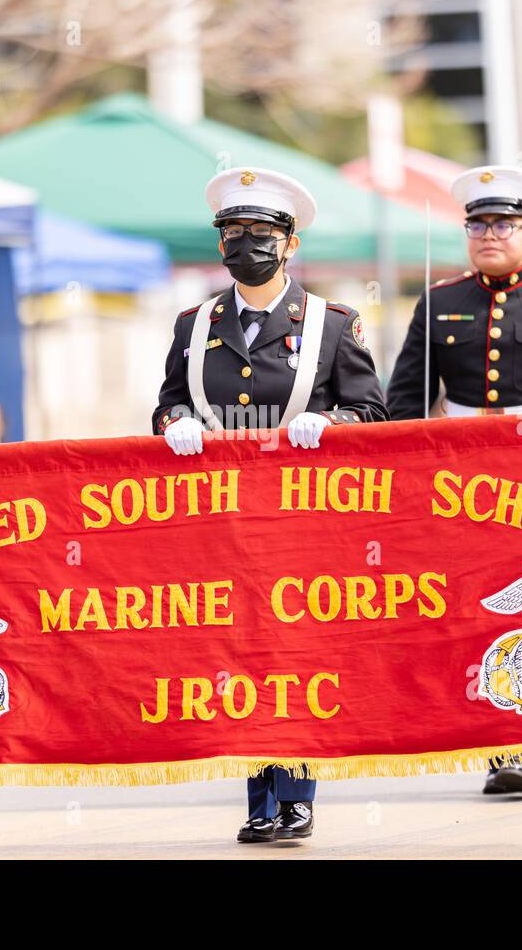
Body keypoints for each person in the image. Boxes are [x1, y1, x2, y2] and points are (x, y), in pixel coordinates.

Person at [153, 166, 387, 843]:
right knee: (239, 650)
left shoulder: (331, 324)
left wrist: (334, 426)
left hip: (303, 519)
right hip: (221, 519)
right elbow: (167, 402)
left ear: (289, 243)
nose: (243, 243)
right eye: (232, 231)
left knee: (294, 649)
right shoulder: (194, 323)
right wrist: (176, 424)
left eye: (260, 232)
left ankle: (297, 791)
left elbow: (373, 412)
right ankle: (259, 794)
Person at [385, 165, 522, 797]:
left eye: (503, 224)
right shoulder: (440, 300)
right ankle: (490, 730)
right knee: (472, 603)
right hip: (462, 476)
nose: (489, 234)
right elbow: (406, 399)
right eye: (477, 224)